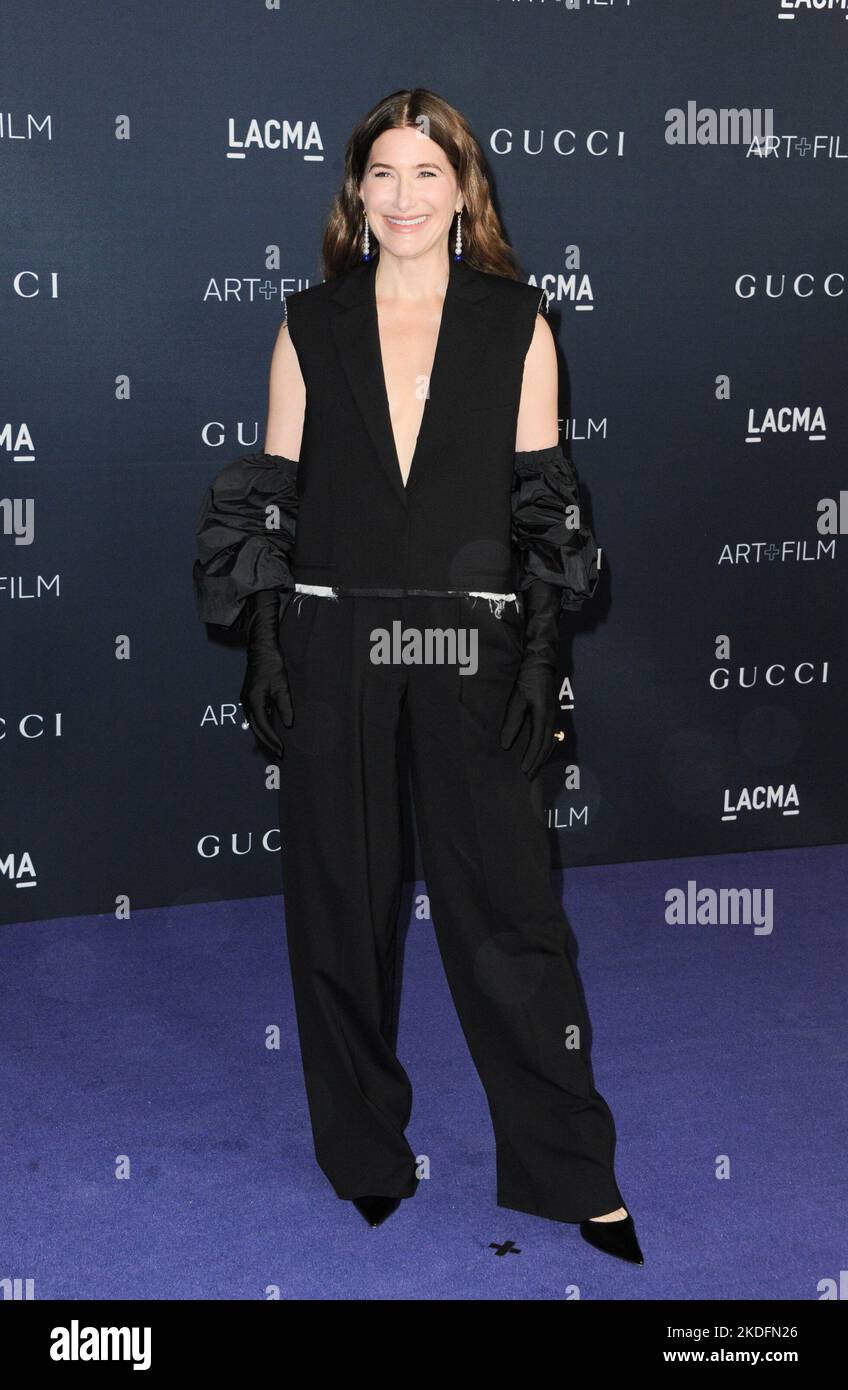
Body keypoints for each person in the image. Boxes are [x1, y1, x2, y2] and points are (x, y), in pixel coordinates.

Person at [193, 88, 643, 1266]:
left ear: (463, 192)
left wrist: (539, 661)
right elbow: (274, 503)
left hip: (467, 644)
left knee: (510, 913)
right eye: (380, 174)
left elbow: (542, 505)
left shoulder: (516, 323)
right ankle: (363, 1152)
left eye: (425, 174)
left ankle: (565, 1167)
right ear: (355, 191)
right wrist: (268, 648)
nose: (401, 196)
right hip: (339, 642)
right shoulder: (308, 322)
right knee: (339, 907)